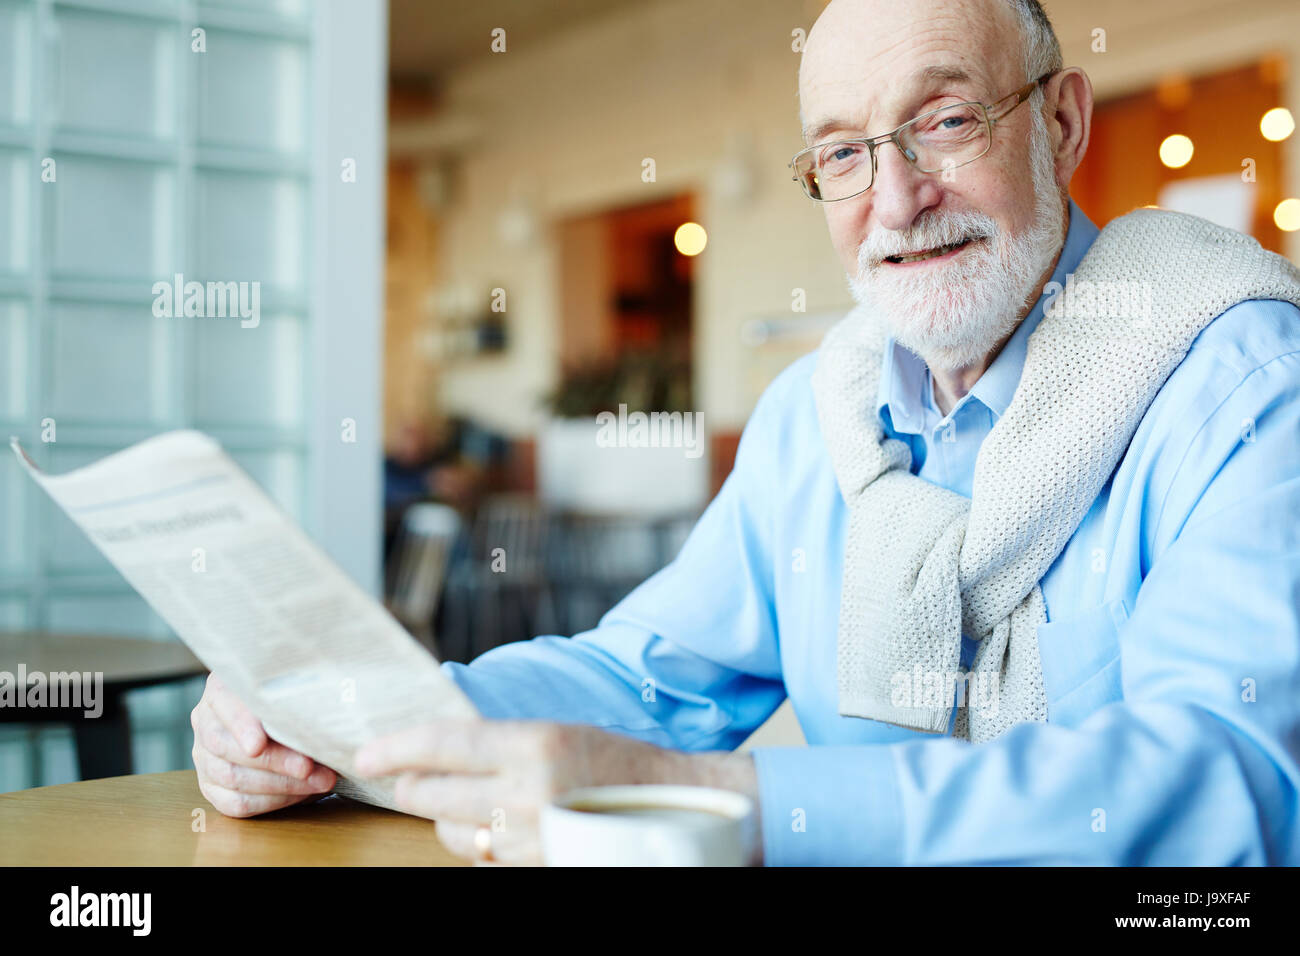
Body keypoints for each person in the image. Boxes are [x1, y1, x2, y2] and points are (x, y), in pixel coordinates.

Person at [190, 0, 1300, 865]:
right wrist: (348, 717)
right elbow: (646, 678)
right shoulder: (814, 419)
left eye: (946, 121)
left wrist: (734, 805)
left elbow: (1231, 779)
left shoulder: (1240, 381)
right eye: (843, 154)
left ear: (1060, 124)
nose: (896, 199)